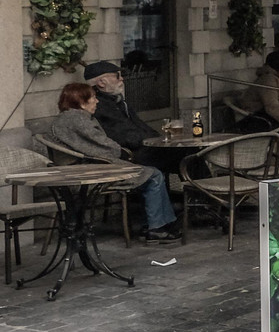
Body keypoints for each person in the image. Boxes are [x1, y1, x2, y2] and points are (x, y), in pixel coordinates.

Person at [48, 82, 181, 242]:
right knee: (153, 175)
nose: (97, 102)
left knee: (151, 172)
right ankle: (156, 228)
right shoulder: (77, 120)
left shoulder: (69, 118)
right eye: (93, 98)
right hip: (86, 173)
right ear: (82, 103)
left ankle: (160, 223)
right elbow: (100, 145)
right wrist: (119, 151)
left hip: (84, 168)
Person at [84, 61, 161, 165]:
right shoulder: (99, 106)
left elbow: (139, 124)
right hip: (127, 154)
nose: (121, 79)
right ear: (102, 83)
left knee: (184, 154)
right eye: (117, 76)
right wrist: (154, 141)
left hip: (141, 147)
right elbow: (124, 136)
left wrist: (159, 139)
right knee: (182, 156)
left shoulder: (117, 101)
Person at [238, 50, 279, 132]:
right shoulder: (268, 79)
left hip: (273, 113)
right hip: (260, 117)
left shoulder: (276, 78)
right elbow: (272, 106)